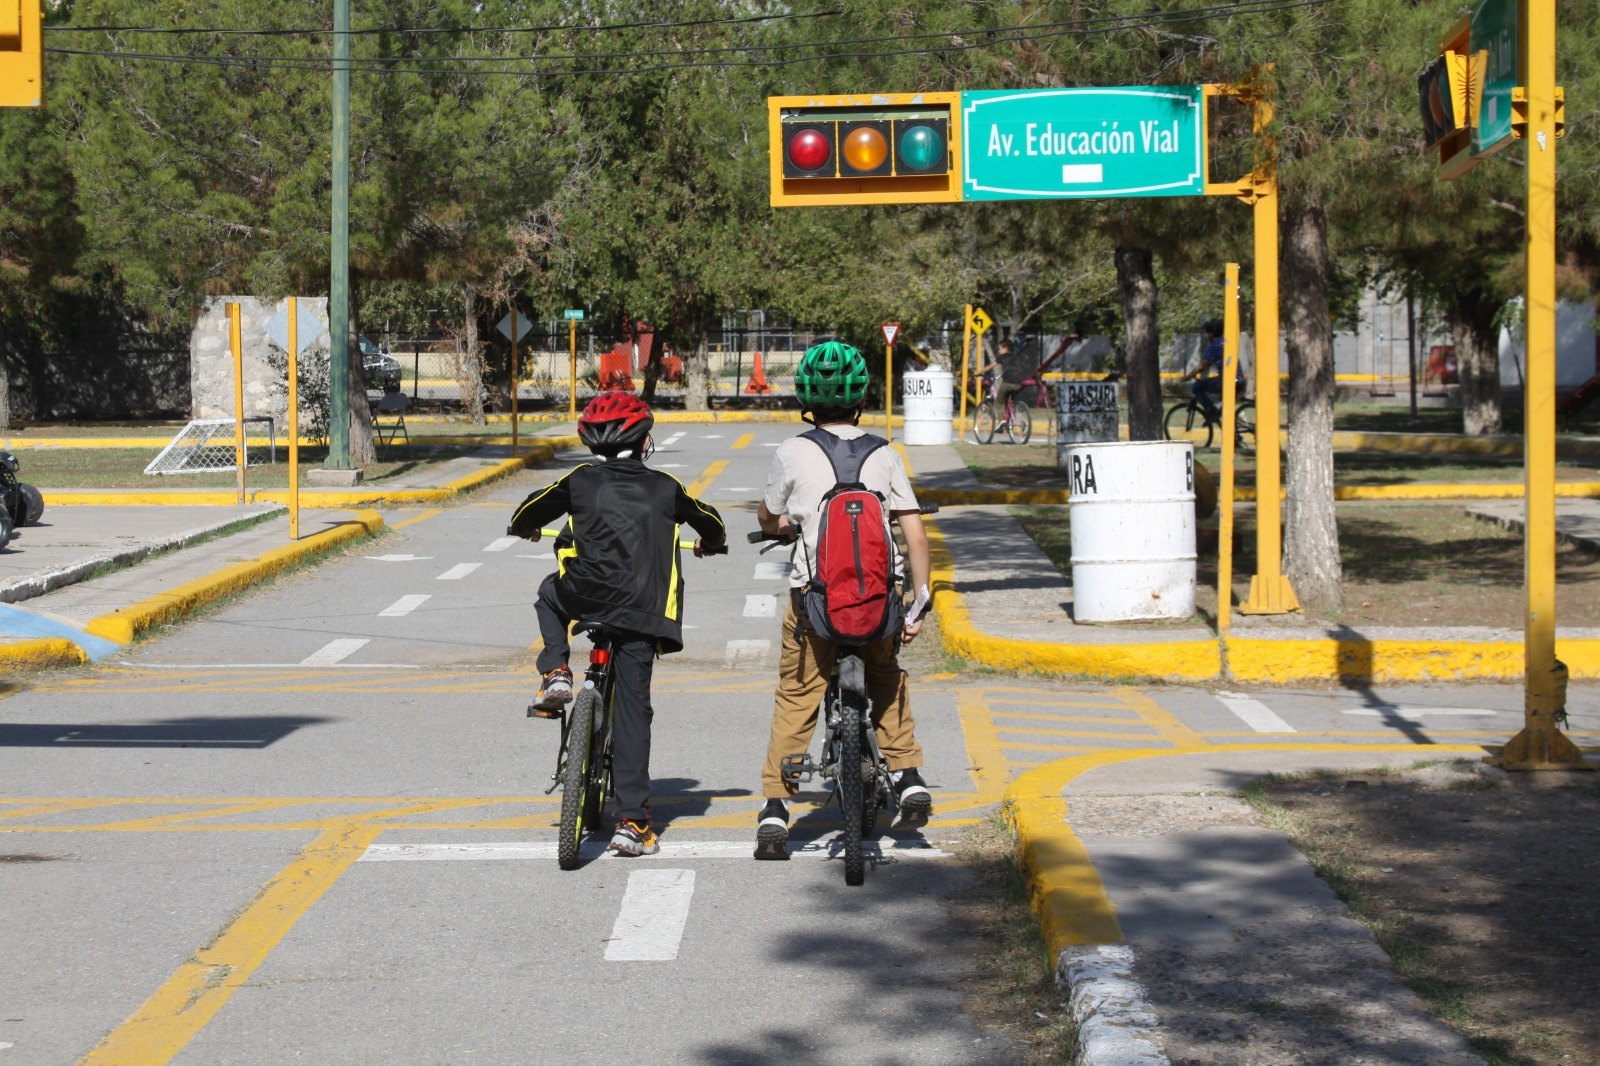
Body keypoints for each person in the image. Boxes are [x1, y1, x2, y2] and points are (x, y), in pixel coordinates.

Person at [509, 391, 726, 856]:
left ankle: (556, 672)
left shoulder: (580, 480)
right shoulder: (666, 486)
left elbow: (528, 512)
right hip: (644, 612)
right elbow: (710, 521)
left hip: (585, 597)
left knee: (550, 595)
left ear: (590, 442)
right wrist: (711, 543)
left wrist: (524, 528)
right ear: (644, 440)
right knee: (632, 711)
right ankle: (633, 822)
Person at [753, 340, 933, 860]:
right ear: (861, 399)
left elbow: (770, 518)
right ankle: (908, 773)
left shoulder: (792, 451)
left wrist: (785, 524)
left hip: (815, 603)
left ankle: (775, 810)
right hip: (879, 601)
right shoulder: (885, 453)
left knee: (797, 693)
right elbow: (915, 539)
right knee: (885, 676)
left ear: (806, 399)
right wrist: (918, 604)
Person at [1183, 319, 1231, 422]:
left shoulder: (1214, 345)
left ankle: (1211, 412)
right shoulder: (1226, 342)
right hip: (1237, 379)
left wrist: (1188, 377)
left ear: (1212, 333)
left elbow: (1202, 366)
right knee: (1225, 408)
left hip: (1226, 380)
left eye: (1207, 332)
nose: (1205, 335)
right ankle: (1235, 434)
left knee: (1197, 387)